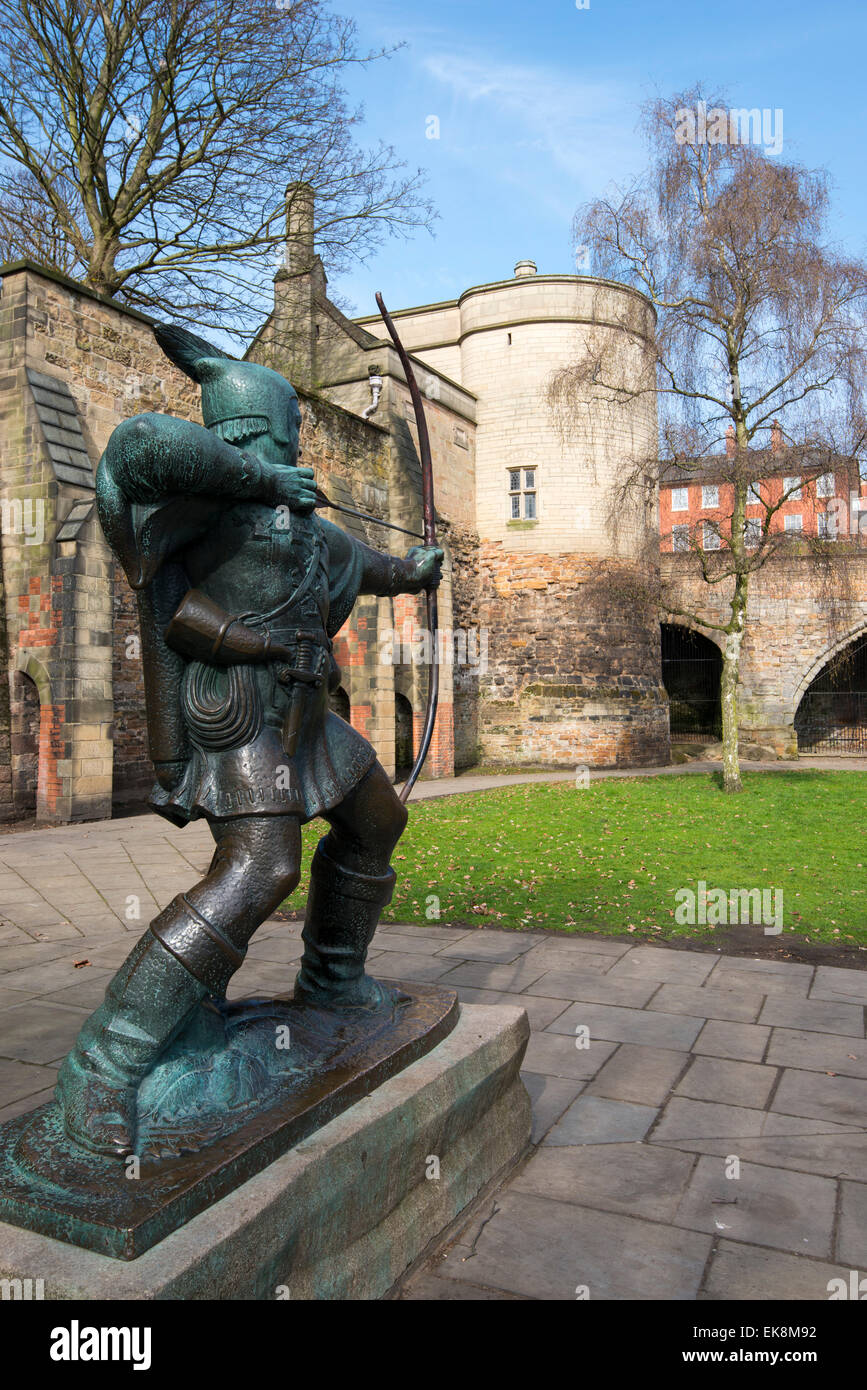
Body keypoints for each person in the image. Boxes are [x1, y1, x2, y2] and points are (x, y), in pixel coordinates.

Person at [55, 326, 443, 1158]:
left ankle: (332, 983)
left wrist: (412, 571)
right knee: (261, 868)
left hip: (302, 714)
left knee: (376, 822)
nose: (291, 443)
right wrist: (263, 480)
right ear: (250, 432)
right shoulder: (195, 506)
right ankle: (108, 1061)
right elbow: (140, 445)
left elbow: (360, 560)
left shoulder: (301, 523)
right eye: (279, 431)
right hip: (234, 704)